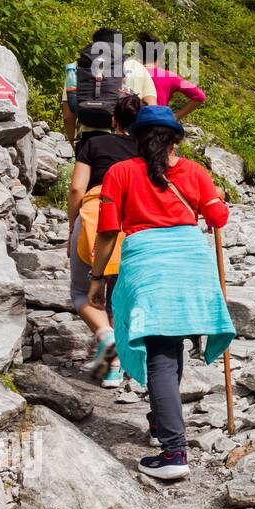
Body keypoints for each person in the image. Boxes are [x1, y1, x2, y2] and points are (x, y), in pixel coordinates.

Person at [89, 105, 235, 480]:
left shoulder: (120, 173)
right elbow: (218, 218)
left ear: (136, 137)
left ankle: (174, 452)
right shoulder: (195, 172)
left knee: (160, 351)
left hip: (148, 266)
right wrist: (217, 202)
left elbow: (107, 231)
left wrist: (95, 280)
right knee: (171, 345)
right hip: (192, 266)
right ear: (174, 139)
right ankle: (159, 424)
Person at [68, 94, 142, 388]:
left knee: (81, 293)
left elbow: (76, 189)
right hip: (130, 223)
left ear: (114, 120)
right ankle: (113, 366)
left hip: (92, 217)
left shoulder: (93, 144)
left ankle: (107, 340)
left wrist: (70, 222)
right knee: (114, 296)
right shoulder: (144, 153)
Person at [63, 28, 157, 149]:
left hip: (88, 141)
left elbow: (68, 117)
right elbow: (151, 107)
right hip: (127, 141)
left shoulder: (78, 67)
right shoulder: (136, 67)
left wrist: (73, 144)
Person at [137, 32, 206, 120]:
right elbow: (200, 96)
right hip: (160, 124)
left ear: (139, 54)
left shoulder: (130, 73)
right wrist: (176, 116)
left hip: (135, 125)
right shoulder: (170, 76)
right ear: (160, 55)